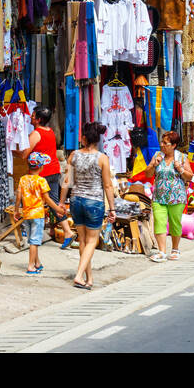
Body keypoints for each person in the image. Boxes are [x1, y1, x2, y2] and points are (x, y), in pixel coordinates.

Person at [64, 121, 116, 289]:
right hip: (94, 202)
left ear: (84, 138)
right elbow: (108, 185)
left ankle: (89, 278)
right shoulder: (102, 158)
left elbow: (67, 181)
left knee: (83, 241)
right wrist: (113, 209)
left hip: (76, 200)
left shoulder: (73, 155)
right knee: (92, 241)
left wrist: (60, 202)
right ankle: (79, 276)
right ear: (98, 140)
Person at [15, 106, 71, 247]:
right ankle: (66, 231)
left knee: (30, 200)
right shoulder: (50, 131)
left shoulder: (36, 133)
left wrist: (11, 150)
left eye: (33, 116)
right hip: (53, 170)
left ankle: (28, 230)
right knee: (53, 202)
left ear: (39, 119)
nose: (31, 117)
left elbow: (24, 154)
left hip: (42, 174)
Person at [16, 151, 66, 275]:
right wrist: (58, 209)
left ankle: (37, 263)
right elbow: (48, 199)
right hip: (37, 215)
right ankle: (31, 266)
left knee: (33, 240)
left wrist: (16, 211)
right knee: (35, 241)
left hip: (26, 214)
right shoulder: (41, 181)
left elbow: (18, 197)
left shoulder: (23, 179)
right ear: (41, 167)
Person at [147, 131, 194, 263]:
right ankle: (161, 251)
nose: (162, 145)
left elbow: (190, 176)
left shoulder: (182, 157)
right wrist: (153, 165)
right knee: (159, 222)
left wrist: (181, 169)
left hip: (176, 196)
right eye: (162, 142)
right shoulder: (157, 156)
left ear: (173, 145)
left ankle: (175, 249)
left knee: (174, 223)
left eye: (165, 143)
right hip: (159, 196)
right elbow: (148, 173)